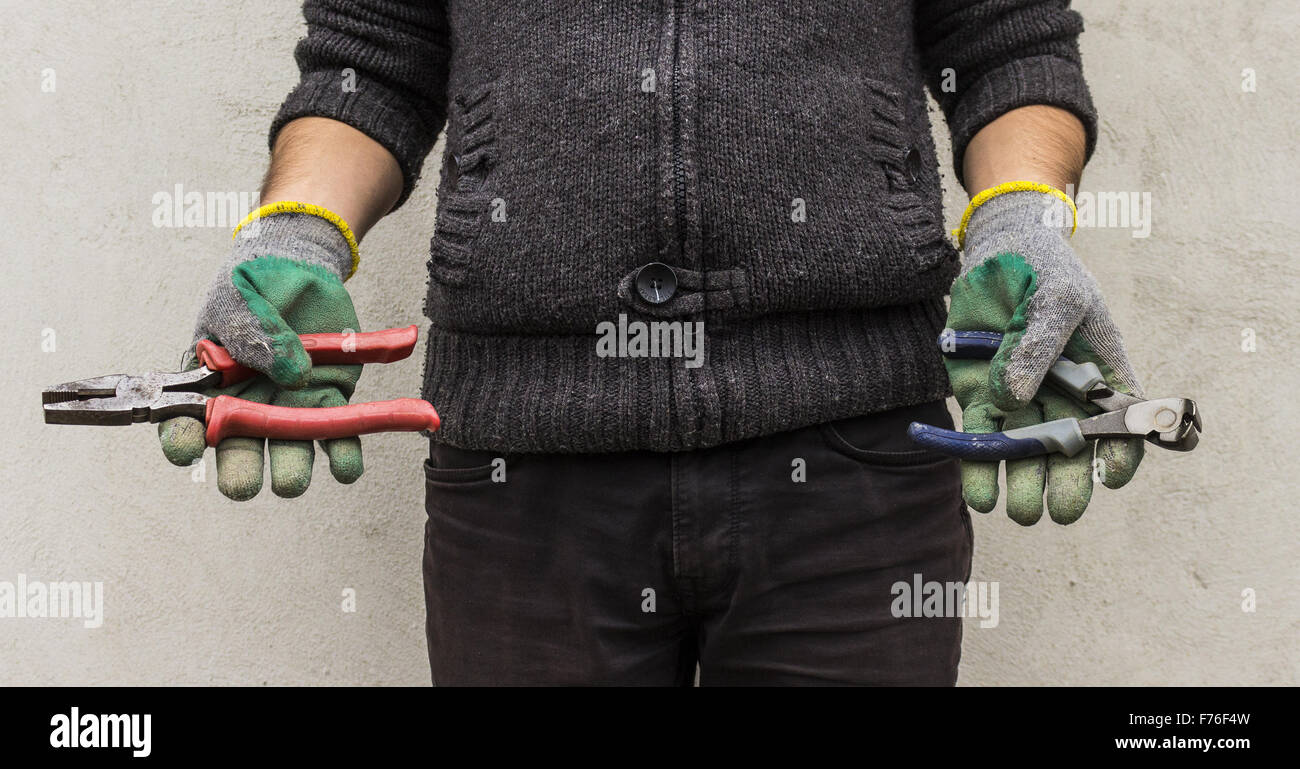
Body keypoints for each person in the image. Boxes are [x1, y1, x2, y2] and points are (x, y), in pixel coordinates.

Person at [158, 0, 1144, 685]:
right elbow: (371, 52)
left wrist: (1018, 213)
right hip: (523, 465)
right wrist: (300, 230)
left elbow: (1005, 39)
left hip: (856, 462)